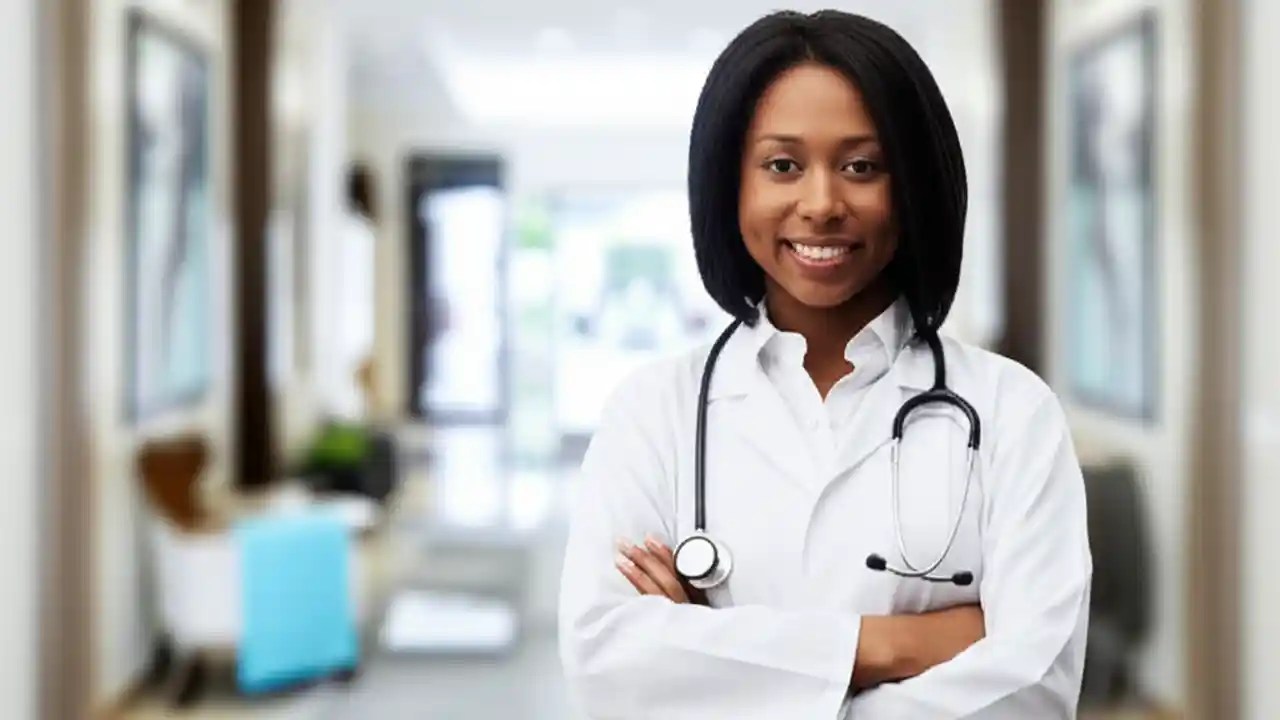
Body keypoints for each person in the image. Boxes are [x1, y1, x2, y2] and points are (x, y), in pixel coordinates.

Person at [557, 10, 1092, 719]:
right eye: (782, 165)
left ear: (914, 186)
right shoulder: (654, 409)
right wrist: (897, 646)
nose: (821, 204)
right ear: (730, 183)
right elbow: (606, 664)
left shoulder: (1011, 412)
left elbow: (1033, 688)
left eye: (861, 166)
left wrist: (710, 653)